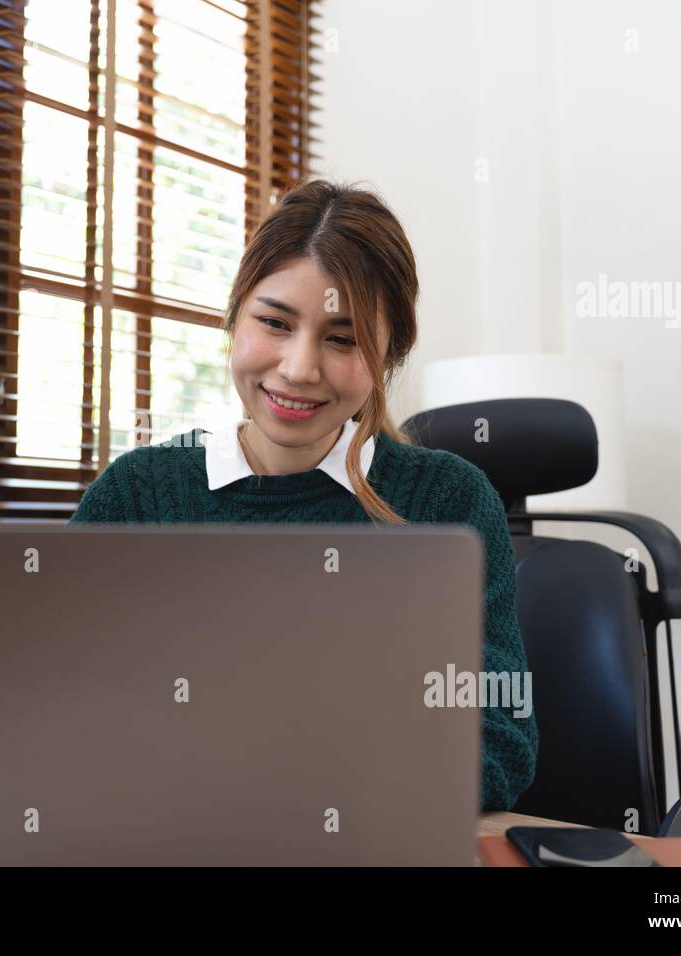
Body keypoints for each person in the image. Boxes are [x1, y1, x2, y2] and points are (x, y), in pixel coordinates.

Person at [68, 179, 538, 811]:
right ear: (234, 320)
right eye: (275, 322)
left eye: (342, 339)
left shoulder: (447, 502)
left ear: (386, 355)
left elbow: (499, 737)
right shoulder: (137, 495)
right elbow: (53, 702)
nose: (298, 367)